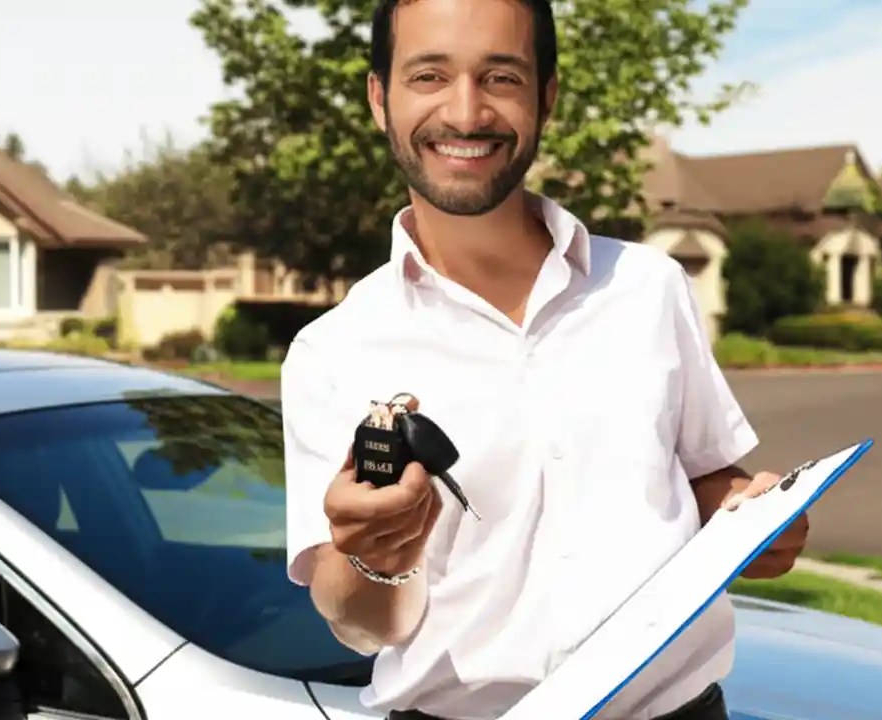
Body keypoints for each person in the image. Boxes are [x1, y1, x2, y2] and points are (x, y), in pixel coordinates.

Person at [279, 0, 808, 718]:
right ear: (380, 97)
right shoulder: (331, 352)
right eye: (429, 75)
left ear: (546, 96)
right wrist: (374, 553)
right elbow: (363, 625)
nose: (466, 113)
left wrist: (754, 516)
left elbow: (706, 477)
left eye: (501, 77)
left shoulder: (649, 288)